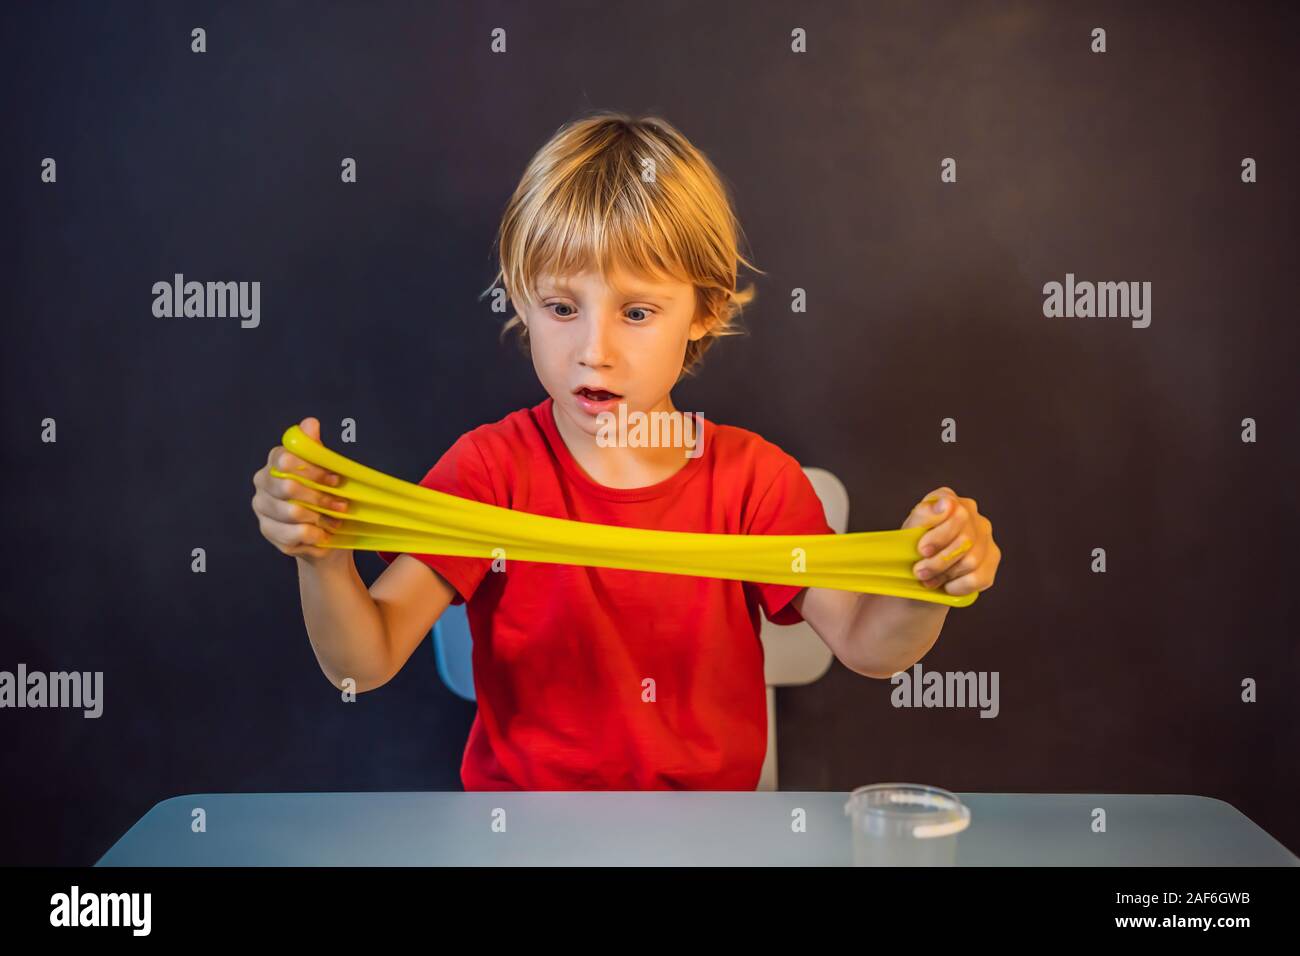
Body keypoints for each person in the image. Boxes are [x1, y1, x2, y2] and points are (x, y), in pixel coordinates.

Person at [250, 112, 1001, 790]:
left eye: (637, 311)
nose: (593, 351)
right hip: (524, 846)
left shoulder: (751, 482)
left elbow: (872, 646)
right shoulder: (488, 473)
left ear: (704, 312)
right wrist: (322, 557)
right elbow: (366, 659)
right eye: (561, 308)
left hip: (709, 847)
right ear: (520, 298)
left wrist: (928, 579)